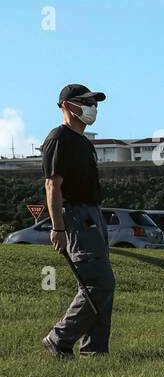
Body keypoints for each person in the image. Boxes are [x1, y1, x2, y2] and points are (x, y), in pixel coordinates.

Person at [42, 84, 115, 359]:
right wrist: (57, 227)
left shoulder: (84, 142)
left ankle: (94, 350)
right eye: (85, 101)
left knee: (101, 284)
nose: (92, 107)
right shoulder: (59, 138)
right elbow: (53, 185)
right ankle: (58, 338)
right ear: (66, 105)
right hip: (75, 216)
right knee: (100, 283)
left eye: (94, 102)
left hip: (92, 214)